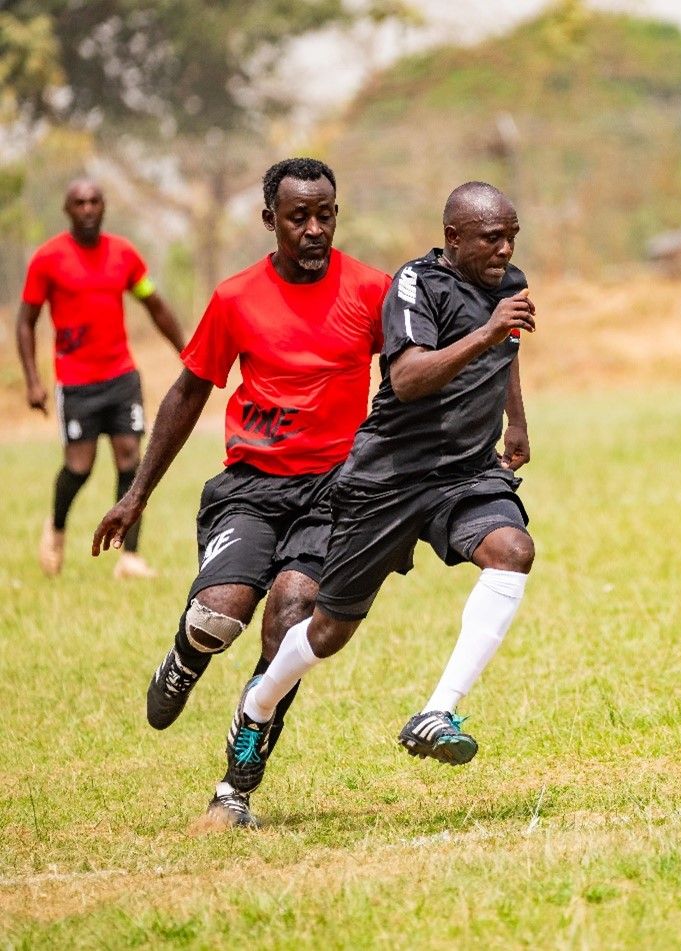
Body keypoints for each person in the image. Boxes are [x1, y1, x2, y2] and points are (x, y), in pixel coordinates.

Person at [210, 181, 535, 823]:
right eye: (492, 238)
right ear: (454, 239)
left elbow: (508, 350)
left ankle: (438, 710)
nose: (505, 248)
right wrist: (489, 332)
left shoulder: (509, 282)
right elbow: (409, 378)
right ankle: (256, 707)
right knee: (328, 633)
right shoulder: (415, 285)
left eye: (512, 236)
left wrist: (516, 421)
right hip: (386, 479)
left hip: (464, 473)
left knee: (513, 552)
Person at [92, 157, 392, 824]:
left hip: (335, 492)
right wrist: (136, 493)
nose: (314, 230)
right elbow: (189, 390)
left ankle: (236, 786)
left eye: (325, 216)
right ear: (270, 221)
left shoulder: (372, 290)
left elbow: (415, 370)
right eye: (298, 218)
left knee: (291, 615)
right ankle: (185, 654)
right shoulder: (235, 298)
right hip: (251, 487)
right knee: (218, 615)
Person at [16, 179, 186, 579]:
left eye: (95, 202)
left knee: (131, 458)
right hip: (76, 382)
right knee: (80, 466)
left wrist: (186, 350)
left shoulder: (124, 255)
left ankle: (129, 556)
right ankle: (56, 529)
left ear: (104, 207)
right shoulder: (48, 259)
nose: (88, 209)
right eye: (80, 203)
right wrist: (32, 380)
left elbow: (153, 303)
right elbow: (26, 323)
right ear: (67, 209)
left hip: (121, 376)